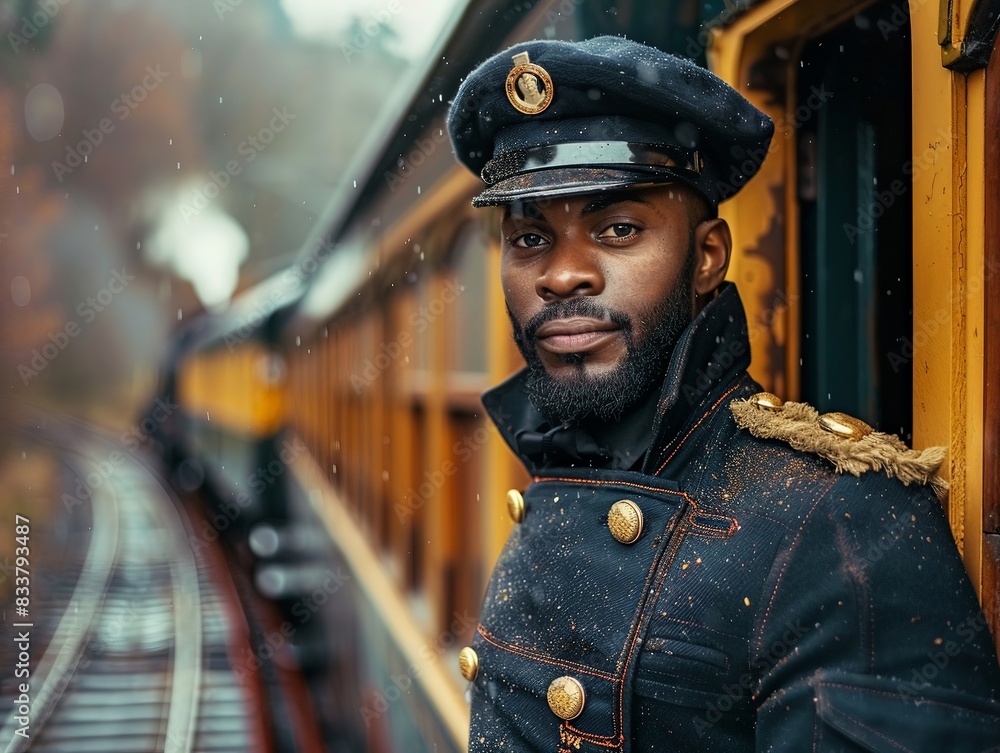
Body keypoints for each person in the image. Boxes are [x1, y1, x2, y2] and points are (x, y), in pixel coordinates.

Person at [445, 36, 1000, 752]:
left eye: (617, 228)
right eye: (529, 239)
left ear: (708, 256)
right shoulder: (557, 463)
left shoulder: (844, 522)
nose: (563, 275)